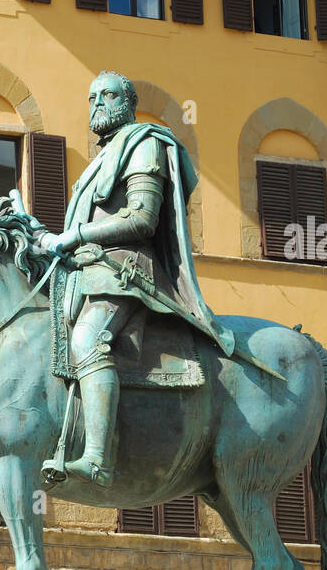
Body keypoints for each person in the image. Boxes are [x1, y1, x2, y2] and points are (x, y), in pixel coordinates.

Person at [21, 70, 235, 488]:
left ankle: (98, 458)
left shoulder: (144, 143)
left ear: (128, 101)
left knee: (86, 341)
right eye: (92, 96)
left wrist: (75, 235)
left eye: (108, 94)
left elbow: (141, 218)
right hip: (85, 272)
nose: (98, 102)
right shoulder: (100, 159)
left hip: (123, 273)